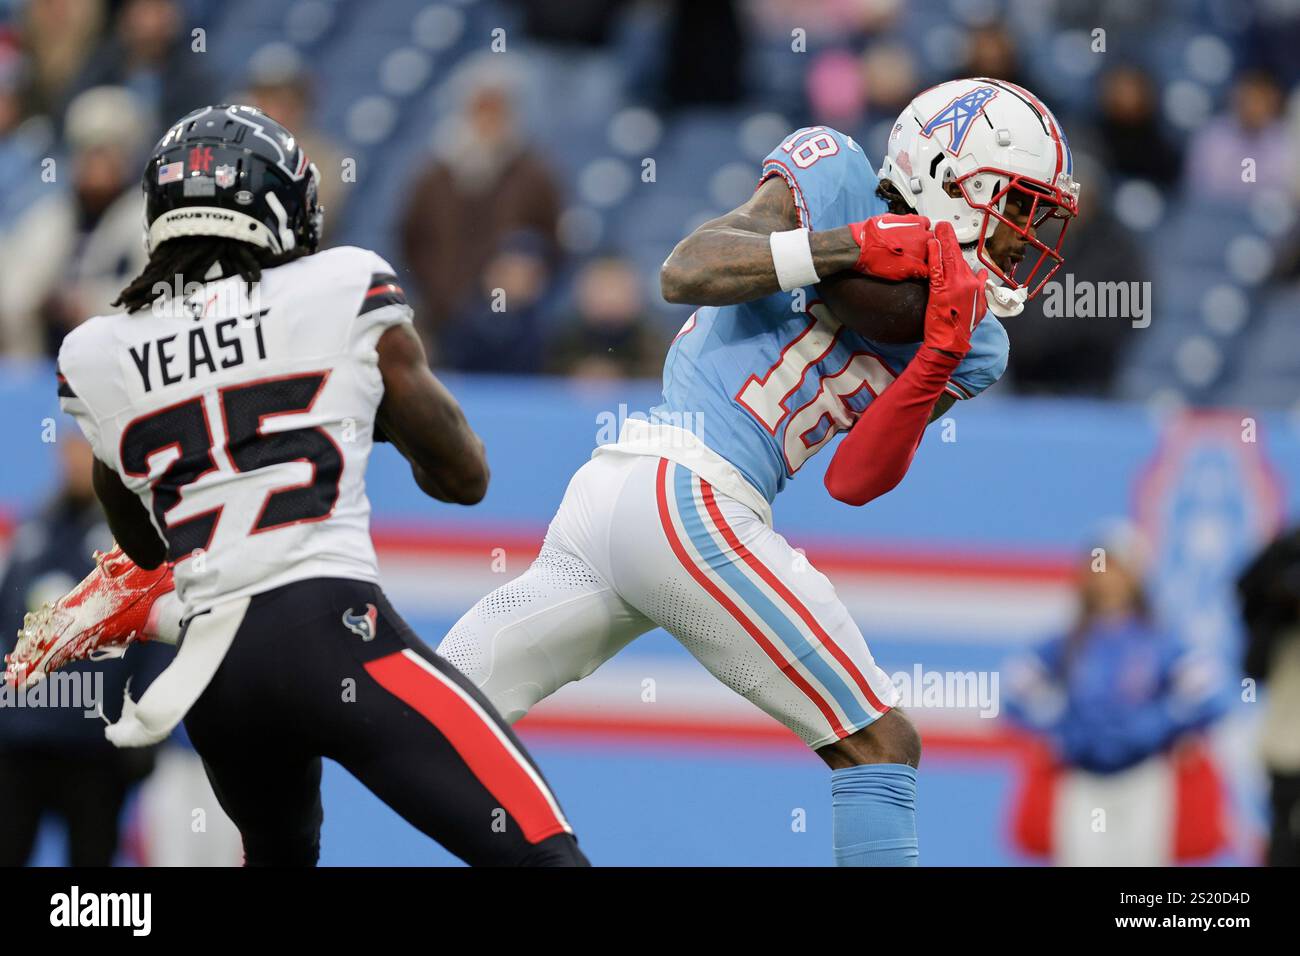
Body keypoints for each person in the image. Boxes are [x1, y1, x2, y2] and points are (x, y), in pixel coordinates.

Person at [13, 79, 1080, 867]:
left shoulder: (977, 339)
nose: (1028, 236)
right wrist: (846, 246)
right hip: (678, 486)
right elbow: (686, 269)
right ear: (947, 177)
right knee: (882, 741)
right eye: (1018, 205)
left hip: (648, 507)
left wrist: (934, 347)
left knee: (430, 718)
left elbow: (855, 479)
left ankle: (182, 596)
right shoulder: (833, 172)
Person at [6, 104, 586, 867]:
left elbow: (143, 543)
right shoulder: (341, 285)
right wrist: (359, 409)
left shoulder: (98, 350)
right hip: (332, 631)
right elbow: (464, 477)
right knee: (543, 852)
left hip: (218, 681)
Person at [1004, 526, 1229, 866]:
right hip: (1082, 780)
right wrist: (1059, 725)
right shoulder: (1067, 643)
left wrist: (1163, 725)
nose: (1107, 579)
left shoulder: (1161, 642)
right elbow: (1014, 691)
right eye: (1100, 567)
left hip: (1146, 778)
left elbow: (1210, 695)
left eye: (1117, 568)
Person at [0, 428, 167, 866]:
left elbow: (154, 635)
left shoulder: (129, 541)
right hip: (24, 741)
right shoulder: (32, 531)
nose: (75, 461)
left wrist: (146, 720)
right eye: (69, 449)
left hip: (95, 745)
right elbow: (6, 623)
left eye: (85, 451)